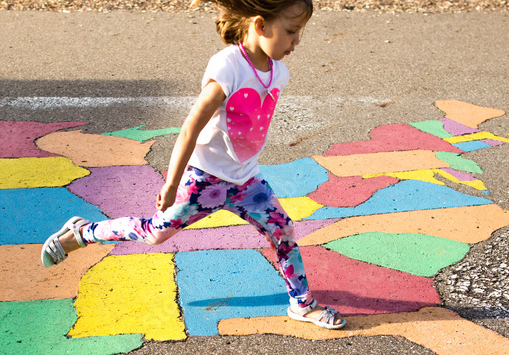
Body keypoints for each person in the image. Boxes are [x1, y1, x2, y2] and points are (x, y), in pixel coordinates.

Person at [40, 0, 345, 330]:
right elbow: (190, 128)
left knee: (282, 229)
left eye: (300, 32)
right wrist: (171, 183)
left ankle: (302, 303)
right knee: (155, 233)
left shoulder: (279, 72)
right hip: (204, 181)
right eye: (291, 31)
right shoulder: (229, 66)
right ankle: (83, 232)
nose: (297, 41)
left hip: (247, 182)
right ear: (259, 26)